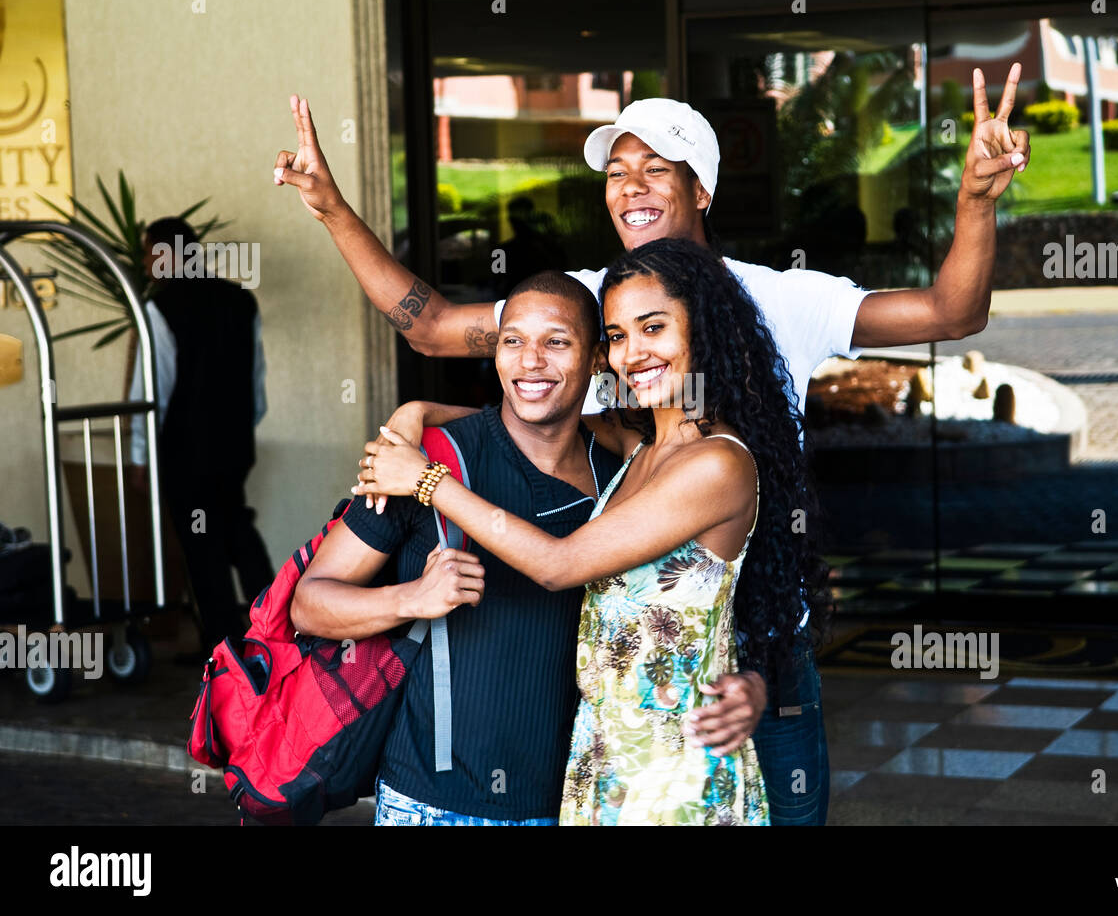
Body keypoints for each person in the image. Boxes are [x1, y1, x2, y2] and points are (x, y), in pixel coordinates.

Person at [273, 70, 1030, 825]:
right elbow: (445, 333)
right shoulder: (590, 308)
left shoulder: (777, 304)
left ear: (701, 190)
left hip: (757, 652)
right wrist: (337, 222)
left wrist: (975, 202)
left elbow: (950, 312)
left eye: (656, 168)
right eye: (616, 171)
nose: (631, 186)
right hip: (631, 691)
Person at [356, 239, 824, 825]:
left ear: (702, 331)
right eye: (620, 336)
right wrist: (417, 412)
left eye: (654, 328)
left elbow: (558, 565)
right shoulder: (640, 444)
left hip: (673, 773)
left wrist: (427, 480)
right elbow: (537, 408)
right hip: (601, 764)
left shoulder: (716, 465)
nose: (635, 353)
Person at [128, 217, 273, 654]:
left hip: (186, 451)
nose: (147, 262)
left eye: (151, 252)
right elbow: (256, 381)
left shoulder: (160, 308)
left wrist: (139, 454)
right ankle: (275, 624)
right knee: (236, 529)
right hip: (233, 446)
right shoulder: (240, 301)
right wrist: (242, 428)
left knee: (202, 544)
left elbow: (153, 388)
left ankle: (221, 644)